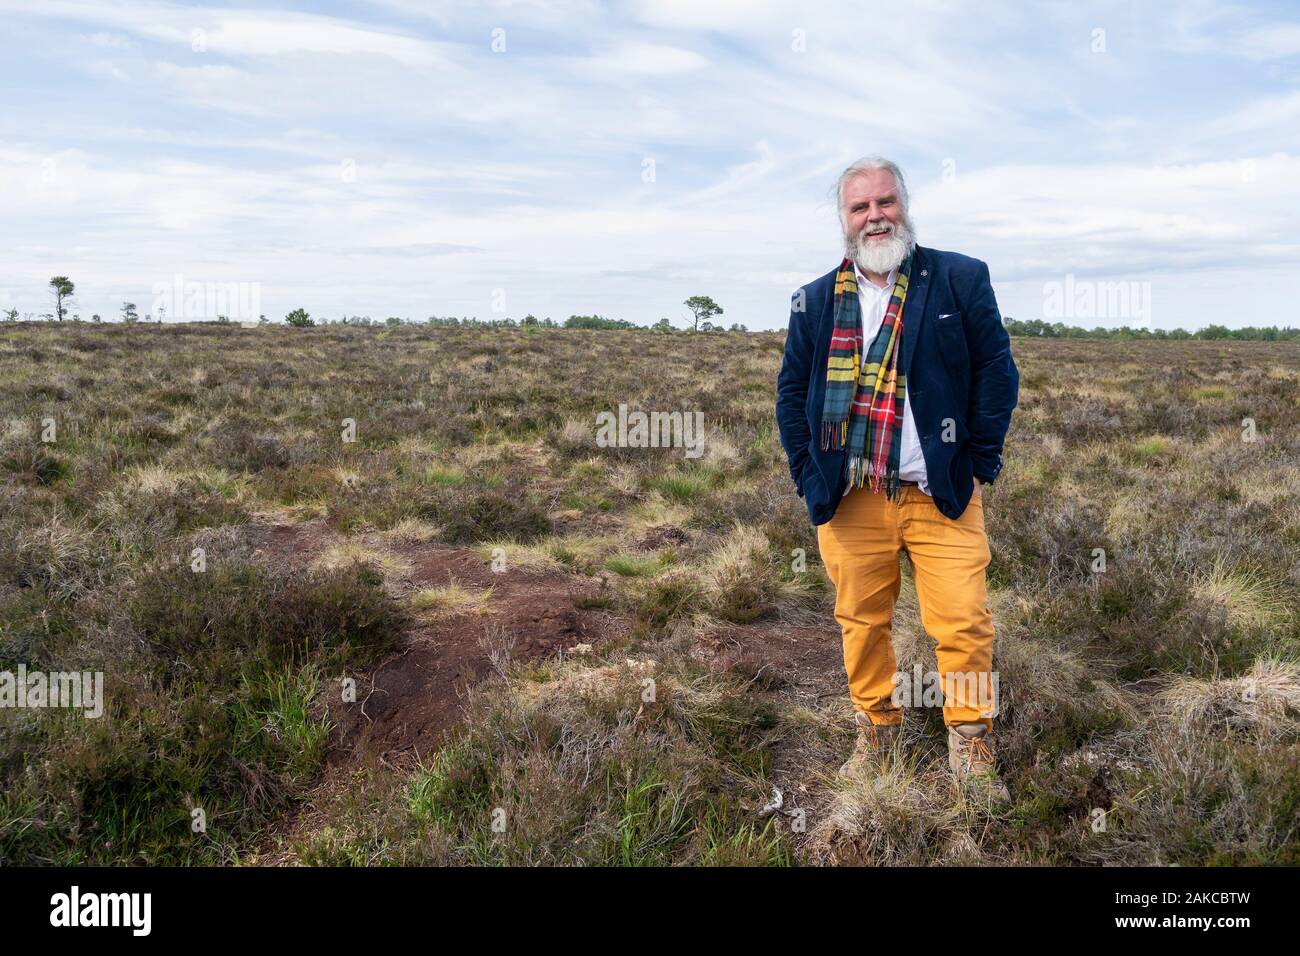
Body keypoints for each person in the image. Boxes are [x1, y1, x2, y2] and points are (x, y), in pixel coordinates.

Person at [775, 156, 1019, 802]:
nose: (875, 215)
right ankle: (876, 729)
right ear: (844, 221)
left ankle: (970, 737)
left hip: (941, 493)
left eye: (886, 202)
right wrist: (808, 475)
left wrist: (979, 463)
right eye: (861, 207)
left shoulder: (959, 279)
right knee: (861, 621)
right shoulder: (816, 299)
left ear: (904, 206)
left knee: (965, 622)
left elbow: (997, 373)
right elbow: (791, 393)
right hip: (852, 494)